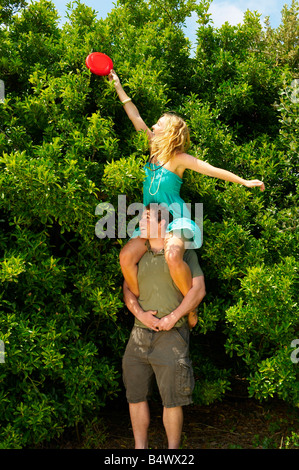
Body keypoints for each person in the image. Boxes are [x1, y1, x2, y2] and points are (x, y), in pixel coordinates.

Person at [108, 69, 264, 329]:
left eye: (158, 124)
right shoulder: (152, 150)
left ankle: (188, 306)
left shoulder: (178, 158)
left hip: (173, 218)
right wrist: (118, 87)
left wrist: (244, 181)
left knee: (172, 256)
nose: (154, 126)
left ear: (169, 131)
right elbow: (134, 115)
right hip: (150, 220)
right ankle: (143, 303)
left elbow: (210, 169)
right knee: (126, 257)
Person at [122, 204, 206, 449]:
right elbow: (127, 289)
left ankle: (172, 452)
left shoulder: (185, 253)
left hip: (172, 335)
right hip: (139, 333)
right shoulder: (140, 254)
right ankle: (140, 450)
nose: (140, 224)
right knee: (135, 397)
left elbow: (198, 290)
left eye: (146, 219)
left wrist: (173, 317)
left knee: (172, 400)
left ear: (162, 224)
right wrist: (140, 314)